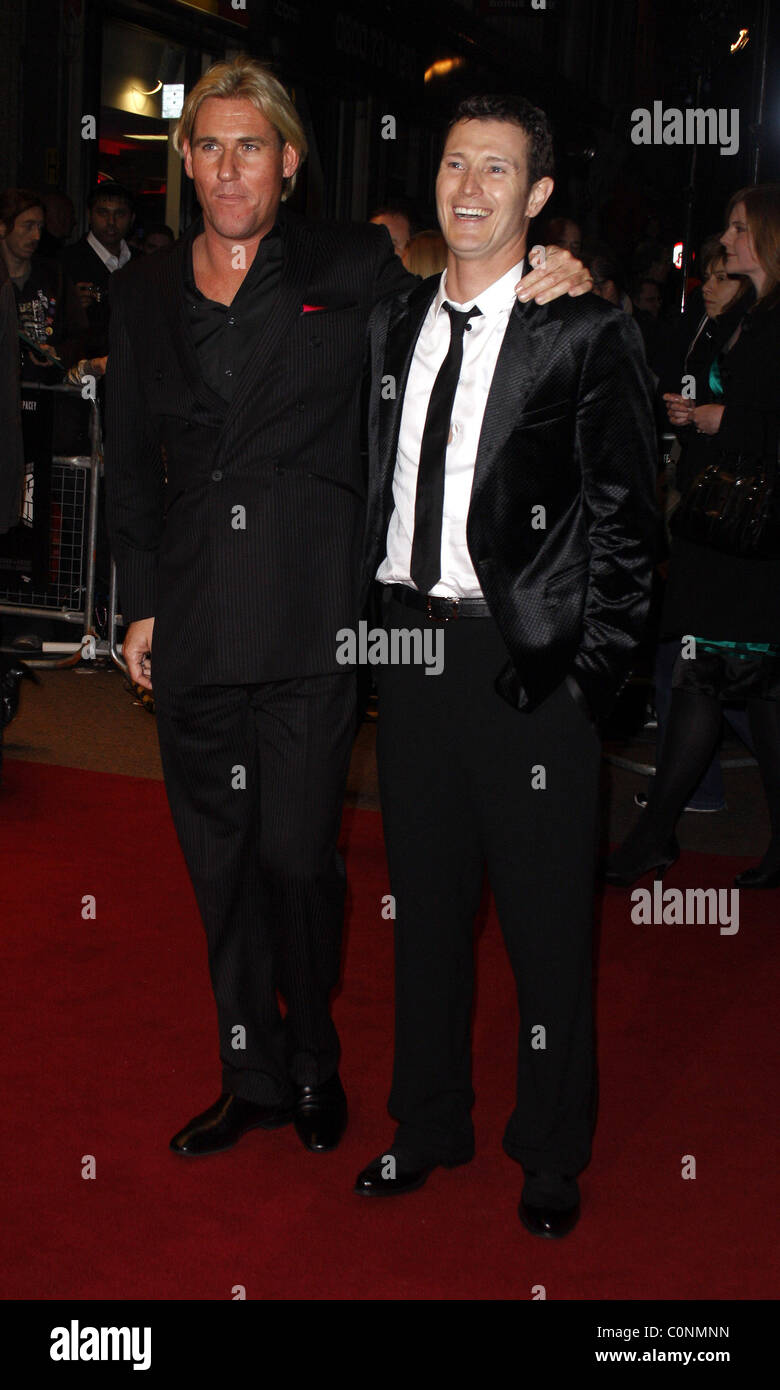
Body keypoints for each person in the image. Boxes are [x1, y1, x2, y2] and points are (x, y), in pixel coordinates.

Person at [104, 57, 591, 1164]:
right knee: (217, 867)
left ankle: (316, 1056)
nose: (230, 170)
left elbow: (465, 284)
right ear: (185, 162)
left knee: (297, 862)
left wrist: (555, 266)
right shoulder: (141, 289)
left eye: (251, 147)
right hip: (190, 619)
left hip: (313, 625)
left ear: (287, 161)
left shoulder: (352, 262)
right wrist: (137, 608)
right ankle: (252, 1072)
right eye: (209, 147)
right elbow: (129, 466)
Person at [353, 93, 657, 1236]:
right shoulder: (391, 321)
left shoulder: (585, 329)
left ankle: (549, 1148)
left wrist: (590, 686)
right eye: (452, 165)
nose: (468, 187)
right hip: (408, 648)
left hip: (528, 666)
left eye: (497, 170)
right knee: (423, 914)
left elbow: (630, 529)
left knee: (544, 927)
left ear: (536, 198)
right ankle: (426, 1123)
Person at [606, 185, 780, 890]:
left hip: (752, 542)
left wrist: (717, 422)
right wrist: (692, 416)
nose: (728, 239)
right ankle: (656, 835)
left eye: (739, 229)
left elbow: (762, 422)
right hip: (720, 533)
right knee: (747, 691)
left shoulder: (774, 320)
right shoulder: (746, 314)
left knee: (716, 679)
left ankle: (654, 836)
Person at [61, 183, 137, 361]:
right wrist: (69, 308)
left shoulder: (144, 263)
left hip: (133, 365)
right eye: (103, 213)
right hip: (84, 368)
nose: (111, 222)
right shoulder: (66, 262)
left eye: (120, 214)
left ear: (132, 218)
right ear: (89, 215)